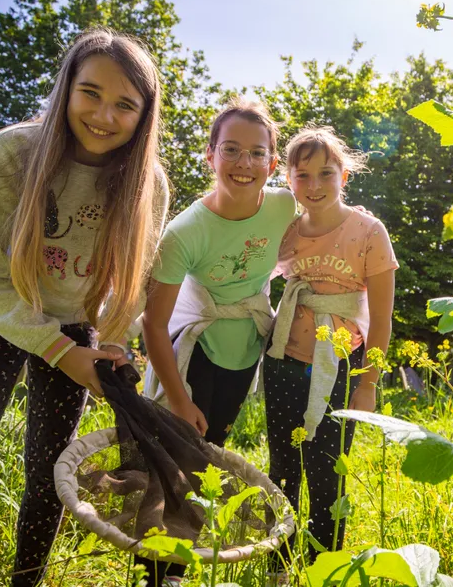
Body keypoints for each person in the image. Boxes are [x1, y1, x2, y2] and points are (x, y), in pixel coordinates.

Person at [0, 28, 169, 587]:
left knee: (52, 463)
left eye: (125, 104)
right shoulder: (11, 154)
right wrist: (57, 349)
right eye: (90, 93)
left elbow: (132, 282)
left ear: (144, 116)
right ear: (66, 87)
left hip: (77, 324)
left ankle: (29, 576)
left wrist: (110, 345)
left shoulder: (149, 184)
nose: (103, 115)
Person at [138, 97, 296, 585]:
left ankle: (192, 554)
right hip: (196, 349)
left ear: (273, 162)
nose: (244, 164)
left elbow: (328, 227)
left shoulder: (285, 205)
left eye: (256, 153)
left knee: (213, 452)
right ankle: (160, 571)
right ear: (210, 156)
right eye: (231, 150)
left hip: (245, 346)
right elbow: (152, 323)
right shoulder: (185, 233)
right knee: (177, 457)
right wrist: (180, 400)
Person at [265, 125, 397, 564]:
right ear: (288, 180)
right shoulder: (283, 229)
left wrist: (368, 384)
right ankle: (278, 564)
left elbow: (381, 320)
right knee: (282, 468)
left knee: (327, 474)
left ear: (345, 175)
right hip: (283, 360)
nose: (314, 185)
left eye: (326, 173)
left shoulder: (368, 231)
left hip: (341, 366)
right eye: (302, 176)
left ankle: (322, 565)